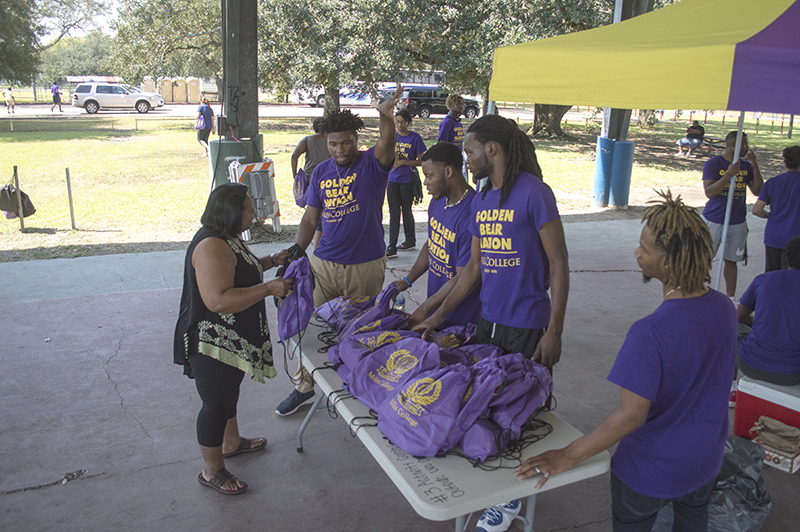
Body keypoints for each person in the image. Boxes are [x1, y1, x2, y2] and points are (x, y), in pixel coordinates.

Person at [517, 190, 736, 532]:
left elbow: (631, 415)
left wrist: (568, 455)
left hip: (649, 472)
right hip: (705, 463)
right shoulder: (724, 308)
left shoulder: (650, 332)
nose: (637, 252)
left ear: (668, 261)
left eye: (645, 249)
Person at [413, 114, 569, 532]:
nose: (466, 159)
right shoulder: (483, 200)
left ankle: (513, 499)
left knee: (522, 414)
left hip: (527, 325)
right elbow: (473, 270)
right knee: (486, 408)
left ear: (492, 149)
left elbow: (558, 262)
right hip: (488, 323)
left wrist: (554, 330)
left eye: (469, 152)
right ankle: (496, 486)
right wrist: (436, 316)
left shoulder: (535, 193)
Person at [275, 85, 404, 417]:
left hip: (365, 266)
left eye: (346, 142)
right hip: (324, 266)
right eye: (333, 143)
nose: (340, 149)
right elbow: (310, 218)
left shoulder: (372, 164)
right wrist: (296, 250)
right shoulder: (320, 172)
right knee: (309, 327)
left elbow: (387, 142)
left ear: (356, 139)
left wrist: (385, 116)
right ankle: (303, 386)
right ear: (325, 142)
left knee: (361, 331)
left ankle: (358, 386)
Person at [173, 183, 293, 495]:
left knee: (228, 393)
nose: (254, 215)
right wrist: (269, 288)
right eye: (249, 210)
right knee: (215, 403)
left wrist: (272, 260)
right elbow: (219, 300)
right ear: (231, 213)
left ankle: (231, 443)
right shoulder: (211, 246)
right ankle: (211, 470)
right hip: (211, 343)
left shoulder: (229, 237)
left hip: (229, 340)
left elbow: (241, 270)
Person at [391, 142, 480, 328]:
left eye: (429, 176)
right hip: (434, 314)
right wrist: (408, 280)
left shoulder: (472, 214)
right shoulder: (438, 202)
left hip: (460, 321)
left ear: (448, 172)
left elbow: (463, 277)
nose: (425, 182)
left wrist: (425, 309)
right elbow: (432, 244)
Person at [701, 131, 763, 299]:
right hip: (714, 219)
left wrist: (755, 166)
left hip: (737, 221)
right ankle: (698, 293)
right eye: (745, 144)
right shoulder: (714, 164)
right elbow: (709, 192)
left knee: (731, 260)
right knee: (704, 259)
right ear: (733, 145)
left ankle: (730, 297)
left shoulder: (746, 166)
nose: (748, 147)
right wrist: (728, 174)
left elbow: (758, 191)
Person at [736, 236, 800, 386]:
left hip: (749, 363)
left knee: (734, 326)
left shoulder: (763, 279)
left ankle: (732, 387)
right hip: (792, 373)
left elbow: (738, 315)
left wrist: (763, 325)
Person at [752, 146, 800, 271]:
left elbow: (756, 210)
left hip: (773, 236)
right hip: (795, 238)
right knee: (790, 276)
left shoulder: (772, 182)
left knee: (771, 273)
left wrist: (769, 216)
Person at [386, 109, 426, 257]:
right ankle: (391, 247)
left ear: (409, 122)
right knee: (394, 213)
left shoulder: (415, 138)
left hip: (407, 179)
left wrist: (403, 162)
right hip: (392, 179)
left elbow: (421, 161)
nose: (399, 125)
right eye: (397, 122)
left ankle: (410, 240)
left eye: (402, 122)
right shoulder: (392, 137)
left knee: (406, 210)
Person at [291, 117, 329, 249]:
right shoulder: (331, 141)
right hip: (328, 180)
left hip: (310, 181)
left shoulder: (307, 140)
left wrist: (295, 175)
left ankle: (316, 244)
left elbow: (294, 156)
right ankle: (319, 242)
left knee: (313, 213)